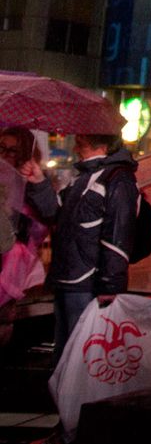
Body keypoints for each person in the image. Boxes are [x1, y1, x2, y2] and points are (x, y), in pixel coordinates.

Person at [25, 133, 137, 358]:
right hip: (69, 277)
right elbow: (54, 211)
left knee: (79, 354)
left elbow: (117, 235)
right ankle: (61, 392)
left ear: (102, 146)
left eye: (81, 143)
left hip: (87, 282)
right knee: (65, 350)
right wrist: (38, 181)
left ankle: (75, 393)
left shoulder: (117, 179)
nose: (76, 147)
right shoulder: (83, 178)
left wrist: (110, 285)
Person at [0, 128, 47, 346]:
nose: (6, 154)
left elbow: (42, 223)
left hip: (12, 261)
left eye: (13, 150)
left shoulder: (32, 181)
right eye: (2, 148)